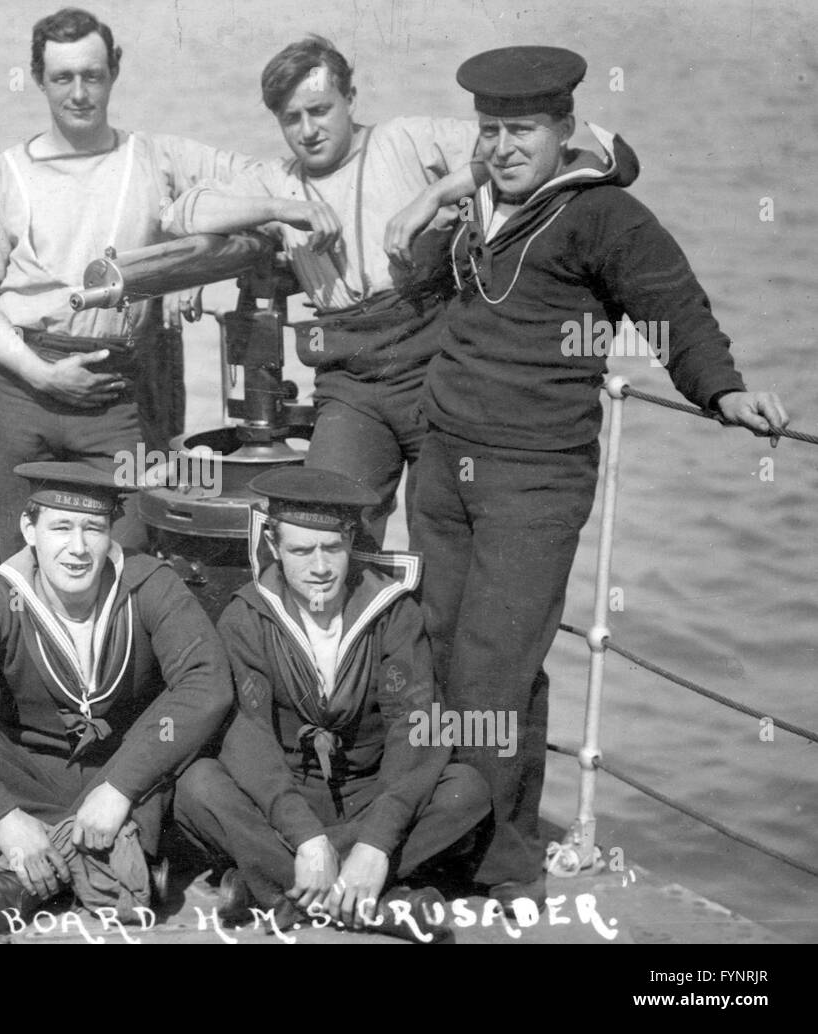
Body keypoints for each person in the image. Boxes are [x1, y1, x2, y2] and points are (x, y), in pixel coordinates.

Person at [401, 46, 790, 906]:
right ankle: (496, 852)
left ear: (565, 129)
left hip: (533, 477)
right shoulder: (480, 199)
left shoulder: (604, 215)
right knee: (442, 654)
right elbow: (423, 286)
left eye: (523, 131)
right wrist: (435, 201)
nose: (502, 148)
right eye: (489, 130)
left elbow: (671, 303)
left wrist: (720, 389)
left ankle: (461, 864)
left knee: (492, 672)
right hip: (443, 465)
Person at [0, 7, 255, 559]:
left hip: (115, 389)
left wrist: (194, 258)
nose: (80, 93)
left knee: (128, 541)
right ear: (39, 78)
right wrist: (41, 374)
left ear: (114, 70)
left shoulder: (154, 157)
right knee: (25, 550)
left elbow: (253, 180)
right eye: (63, 78)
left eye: (93, 75)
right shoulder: (4, 174)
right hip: (21, 384)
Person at [162, 36, 480, 545]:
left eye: (320, 110)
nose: (308, 131)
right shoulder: (277, 179)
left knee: (444, 533)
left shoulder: (405, 140)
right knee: (322, 526)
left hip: (433, 365)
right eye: (292, 119)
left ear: (350, 97)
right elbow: (182, 213)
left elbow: (509, 154)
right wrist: (283, 210)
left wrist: (434, 195)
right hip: (350, 382)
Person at [0, 462, 233, 929]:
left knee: (188, 750)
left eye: (93, 529)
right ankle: (106, 865)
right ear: (28, 529)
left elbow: (207, 679)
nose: (77, 549)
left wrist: (119, 790)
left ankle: (33, 878)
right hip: (31, 775)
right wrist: (5, 817)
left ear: (110, 532)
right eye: (60, 527)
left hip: (130, 771)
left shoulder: (147, 582)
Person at [174, 467, 490, 936]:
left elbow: (416, 727)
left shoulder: (394, 611)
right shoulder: (246, 616)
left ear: (351, 545)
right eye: (301, 551)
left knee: (467, 790)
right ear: (274, 550)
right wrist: (306, 838)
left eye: (333, 549)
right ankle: (374, 907)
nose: (320, 568)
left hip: (373, 794)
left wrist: (377, 844)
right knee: (197, 786)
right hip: (284, 799)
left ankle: (281, 891)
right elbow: (249, 737)